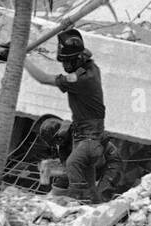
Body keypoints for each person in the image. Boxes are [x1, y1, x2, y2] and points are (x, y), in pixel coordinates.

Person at [24, 34, 106, 203]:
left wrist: (21, 59)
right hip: (84, 131)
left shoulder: (80, 79)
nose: (64, 66)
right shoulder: (92, 67)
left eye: (66, 62)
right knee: (88, 178)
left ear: (77, 60)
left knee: (73, 164)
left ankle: (77, 202)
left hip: (89, 134)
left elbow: (43, 79)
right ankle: (96, 206)